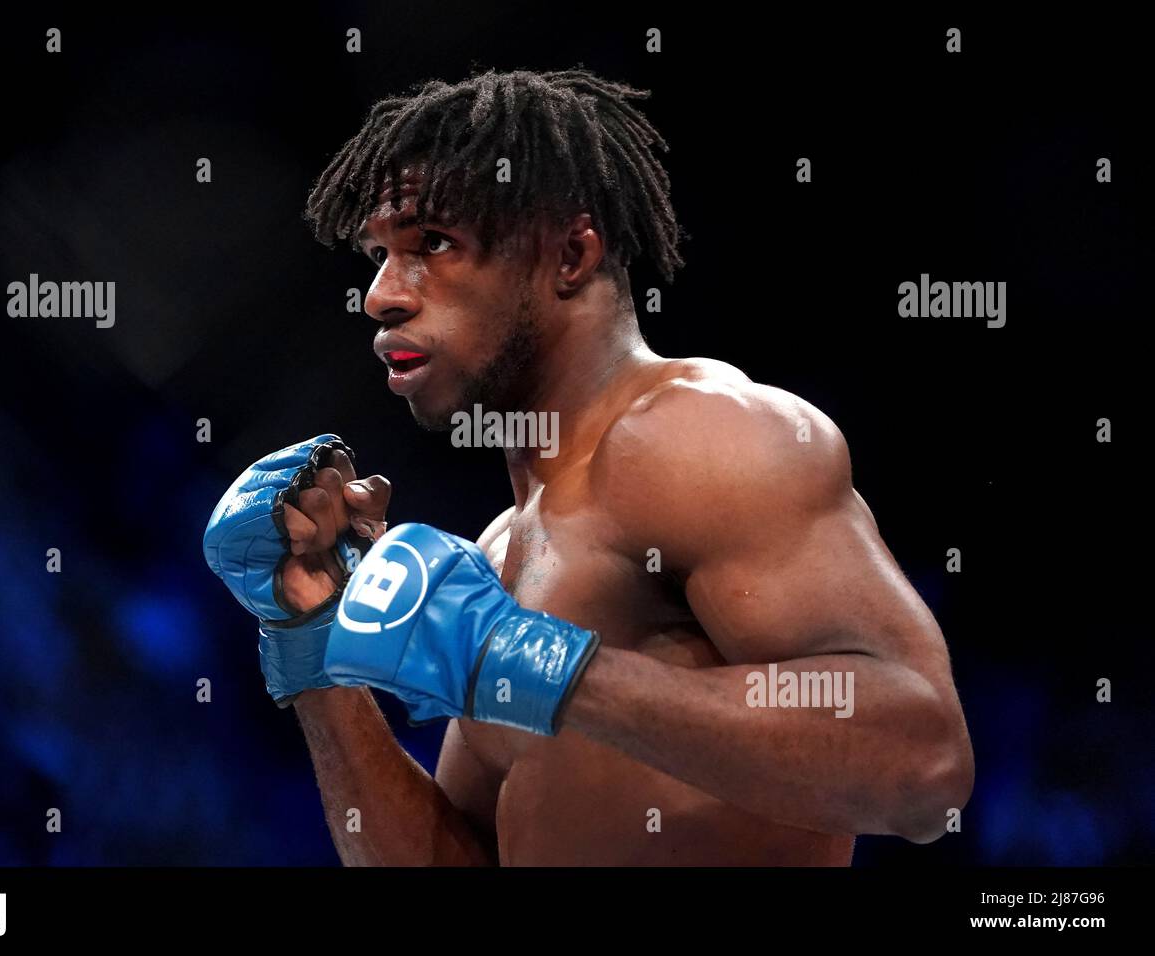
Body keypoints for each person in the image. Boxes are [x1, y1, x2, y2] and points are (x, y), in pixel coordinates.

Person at [204, 68, 974, 865]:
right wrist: (312, 638)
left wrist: (539, 666)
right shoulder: (501, 553)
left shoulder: (700, 435)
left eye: (432, 244)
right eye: (378, 255)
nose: (380, 296)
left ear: (570, 254)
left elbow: (922, 766)